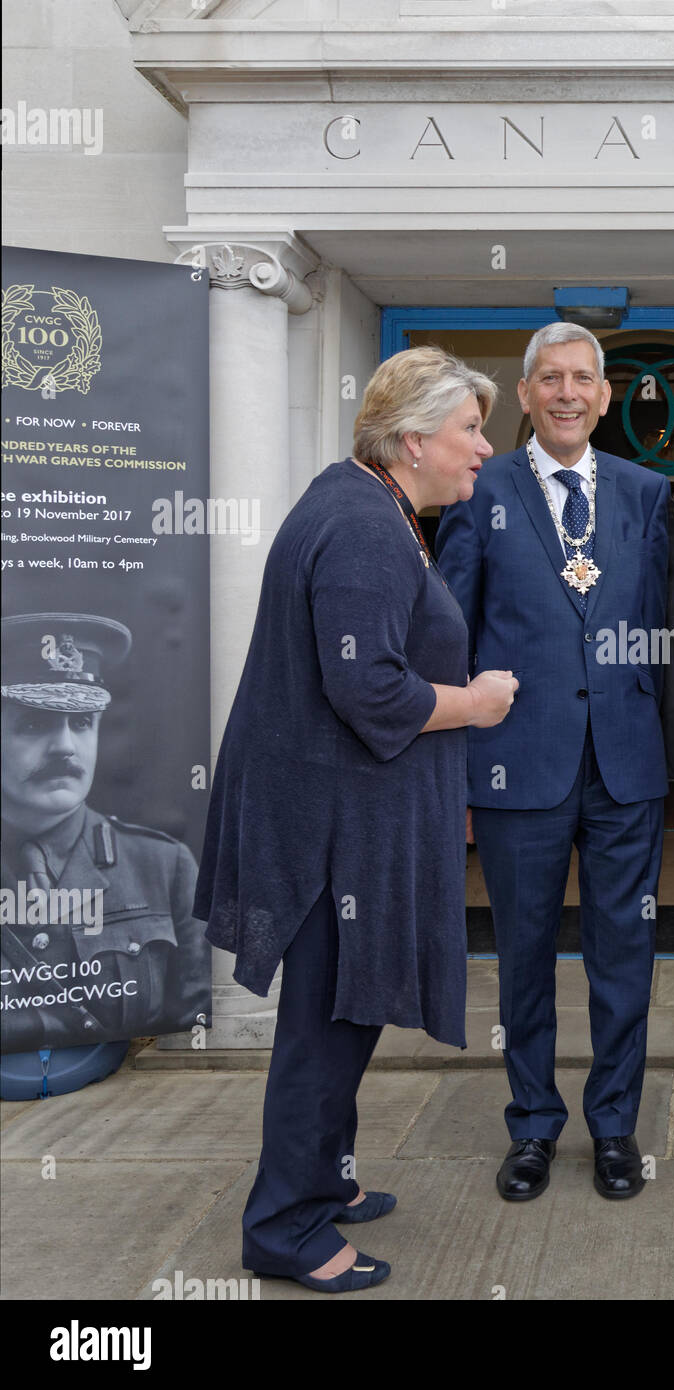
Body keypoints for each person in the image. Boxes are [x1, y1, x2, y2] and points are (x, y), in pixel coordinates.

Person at [194, 347, 516, 1292]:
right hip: (337, 833)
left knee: (343, 1014)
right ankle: (284, 1228)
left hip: (342, 816)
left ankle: (323, 1180)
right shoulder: (365, 525)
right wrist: (476, 701)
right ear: (413, 441)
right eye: (468, 431)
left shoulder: (368, 505)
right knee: (324, 1029)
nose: (482, 450)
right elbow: (368, 686)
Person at [436, 322, 670, 1203]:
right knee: (524, 955)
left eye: (584, 378)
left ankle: (615, 1127)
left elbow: (652, 626)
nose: (568, 392)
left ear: (607, 396)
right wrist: (454, 767)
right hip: (512, 767)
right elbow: (450, 630)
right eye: (550, 379)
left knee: (625, 955)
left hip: (625, 768)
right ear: (525, 395)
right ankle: (532, 1125)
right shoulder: (476, 485)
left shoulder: (647, 491)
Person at [1, 612, 208, 1053]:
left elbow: (193, 1026)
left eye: (81, 723)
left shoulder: (161, 866)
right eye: (35, 724)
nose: (65, 747)